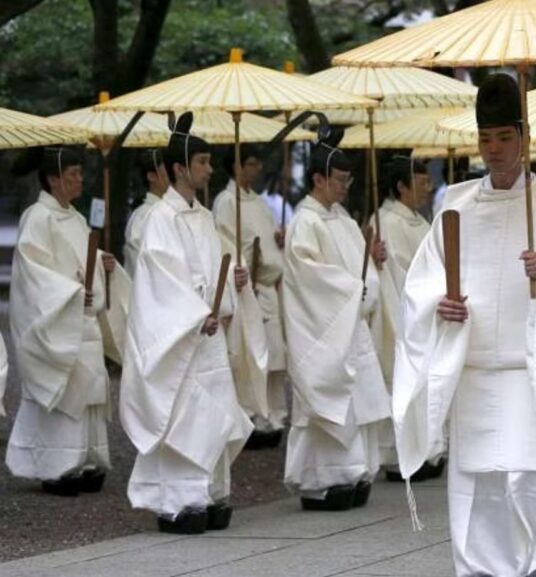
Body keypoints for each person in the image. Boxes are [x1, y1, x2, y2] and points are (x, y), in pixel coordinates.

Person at [392, 73, 536, 577]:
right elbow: (422, 281)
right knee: (478, 481)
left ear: (525, 137)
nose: (494, 149)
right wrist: (438, 308)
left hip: (528, 368)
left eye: (504, 138)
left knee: (530, 473)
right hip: (472, 367)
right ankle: (483, 568)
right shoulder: (457, 203)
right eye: (485, 138)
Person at [120, 114, 256, 534]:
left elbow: (215, 265)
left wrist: (231, 282)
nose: (210, 170)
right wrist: (199, 311)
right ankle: (179, 500)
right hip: (184, 334)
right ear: (179, 168)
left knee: (213, 411)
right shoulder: (161, 218)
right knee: (184, 413)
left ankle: (212, 492)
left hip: (208, 336)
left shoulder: (201, 216)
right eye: (202, 162)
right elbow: (162, 281)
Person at [7, 146, 127, 496]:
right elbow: (33, 274)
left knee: (88, 392)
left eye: (79, 173)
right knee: (64, 395)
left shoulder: (73, 217)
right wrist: (72, 292)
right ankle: (57, 467)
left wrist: (104, 264)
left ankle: (89, 461)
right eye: (72, 173)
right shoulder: (37, 217)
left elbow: (84, 257)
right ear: (53, 178)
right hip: (58, 321)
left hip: (82, 320)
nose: (79, 179)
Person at [281, 132, 390, 511]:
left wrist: (369, 267)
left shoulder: (341, 219)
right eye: (340, 180)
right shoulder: (305, 222)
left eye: (348, 180)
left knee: (355, 402)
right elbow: (309, 276)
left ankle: (354, 471)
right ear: (318, 179)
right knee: (328, 400)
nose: (345, 187)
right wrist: (349, 290)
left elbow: (358, 270)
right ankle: (321, 480)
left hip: (349, 325)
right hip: (322, 329)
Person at [213, 144, 287, 448]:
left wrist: (278, 240)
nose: (257, 169)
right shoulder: (226, 202)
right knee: (251, 356)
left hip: (268, 285)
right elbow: (225, 244)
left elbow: (268, 241)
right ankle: (251, 416)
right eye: (252, 163)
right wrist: (241, 272)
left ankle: (274, 415)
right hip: (247, 286)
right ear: (237, 166)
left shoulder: (259, 203)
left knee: (273, 355)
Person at [372, 156, 441, 483]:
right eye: (422, 183)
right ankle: (400, 454)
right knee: (401, 383)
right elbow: (396, 273)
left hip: (426, 313)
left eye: (429, 183)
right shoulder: (386, 222)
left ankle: (426, 449)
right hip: (401, 310)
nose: (428, 190)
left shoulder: (422, 223)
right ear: (401, 186)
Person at [124, 149, 168, 278]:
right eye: (167, 171)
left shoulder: (173, 212)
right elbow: (137, 260)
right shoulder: (142, 216)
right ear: (152, 176)